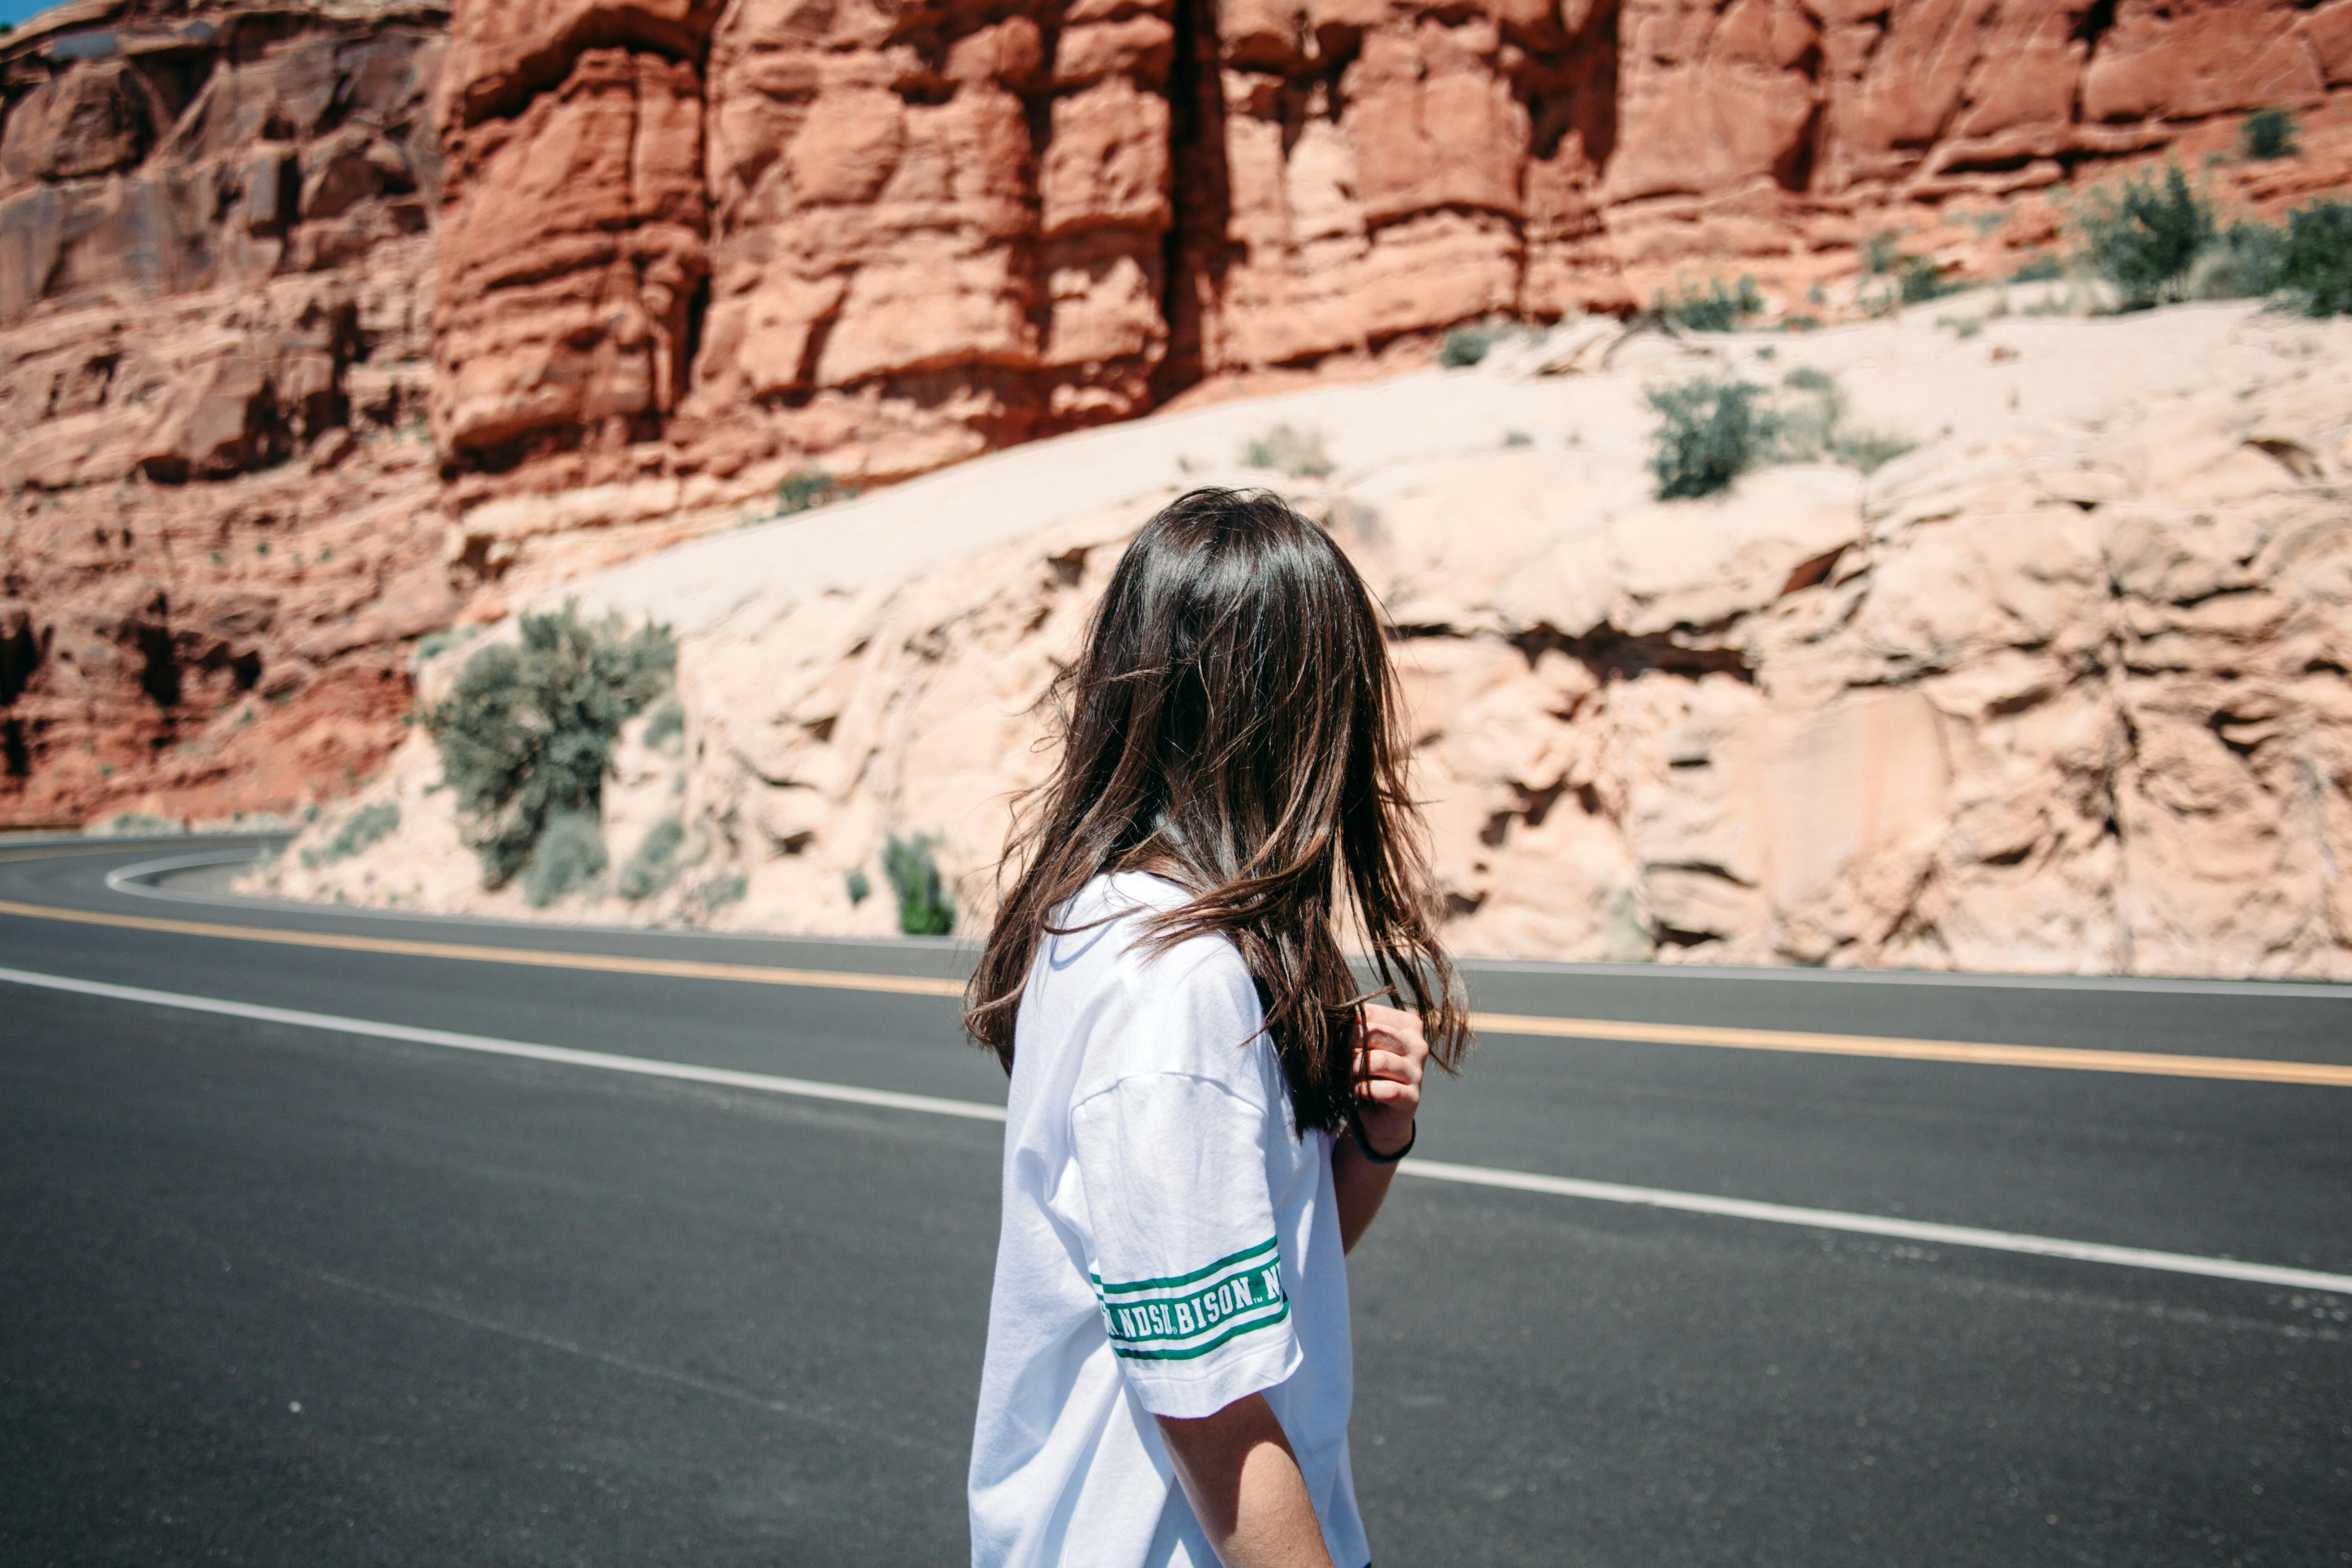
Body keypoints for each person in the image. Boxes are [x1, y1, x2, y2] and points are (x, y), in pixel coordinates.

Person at [964, 488, 1470, 1568]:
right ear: (1294, 714)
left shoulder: (1106, 918)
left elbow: (1257, 1269)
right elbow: (1210, 1402)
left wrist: (1369, 1140)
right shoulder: (1179, 988)